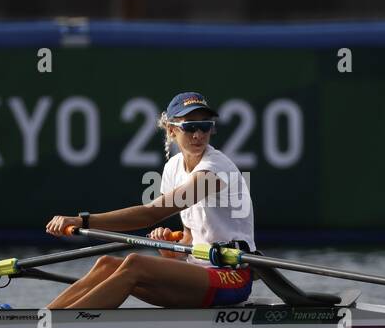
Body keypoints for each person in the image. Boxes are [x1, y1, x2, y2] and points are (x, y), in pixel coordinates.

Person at [43, 92, 256, 309]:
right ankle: (45, 318)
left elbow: (150, 214)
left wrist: (82, 221)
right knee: (106, 264)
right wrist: (171, 249)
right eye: (190, 126)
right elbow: (189, 239)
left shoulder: (214, 171)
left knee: (135, 263)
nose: (198, 134)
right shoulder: (173, 167)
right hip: (201, 272)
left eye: (205, 126)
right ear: (172, 130)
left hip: (232, 278)